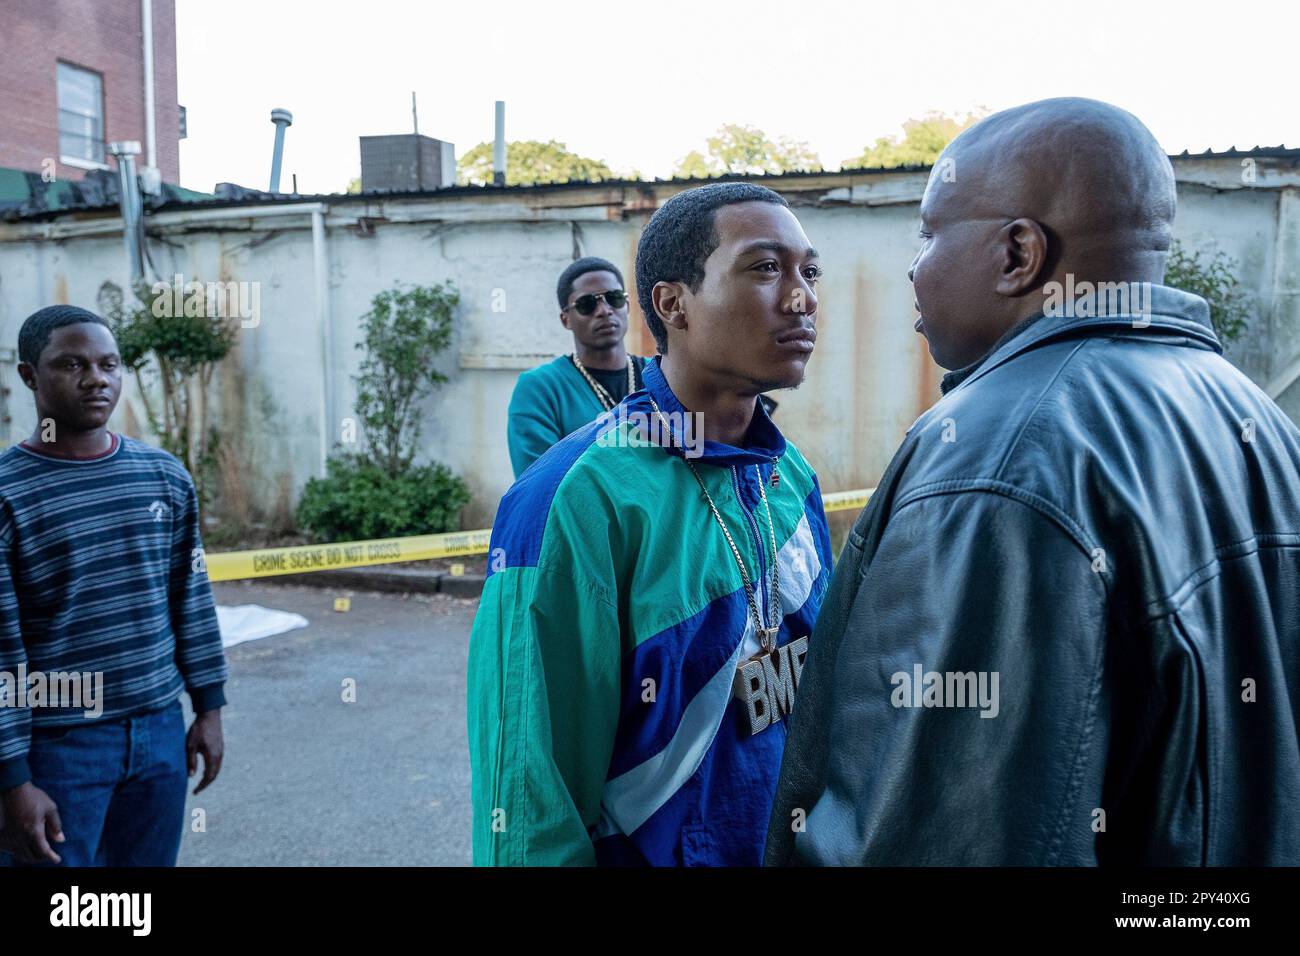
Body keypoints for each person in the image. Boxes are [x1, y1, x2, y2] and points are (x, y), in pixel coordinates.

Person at [766, 97, 1300, 866]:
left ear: (1018, 254)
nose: (914, 267)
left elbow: (945, 838)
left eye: (928, 234)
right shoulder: (1254, 419)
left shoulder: (992, 464)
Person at [469, 182, 832, 865]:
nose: (801, 297)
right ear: (673, 303)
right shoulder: (573, 501)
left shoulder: (792, 479)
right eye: (764, 268)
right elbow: (528, 807)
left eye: (808, 271)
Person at [0, 305, 228, 867]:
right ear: (29, 375)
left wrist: (209, 707)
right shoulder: (8, 493)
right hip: (57, 748)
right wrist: (13, 779)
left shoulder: (164, 476)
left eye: (109, 364)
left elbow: (190, 600)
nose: (96, 378)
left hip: (158, 734)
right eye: (71, 364)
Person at [506, 257, 649, 478]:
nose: (604, 310)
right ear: (566, 319)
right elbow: (539, 483)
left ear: (627, 306)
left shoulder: (662, 377)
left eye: (614, 298)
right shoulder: (540, 388)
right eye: (587, 304)